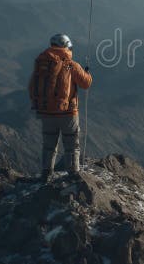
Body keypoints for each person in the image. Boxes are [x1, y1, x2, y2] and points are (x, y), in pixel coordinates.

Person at [28, 33, 92, 181]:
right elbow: (86, 83)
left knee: (49, 144)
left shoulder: (42, 64)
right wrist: (87, 73)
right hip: (68, 113)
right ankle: (73, 174)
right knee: (71, 144)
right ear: (67, 47)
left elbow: (33, 86)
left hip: (45, 111)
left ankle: (46, 173)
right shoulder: (71, 65)